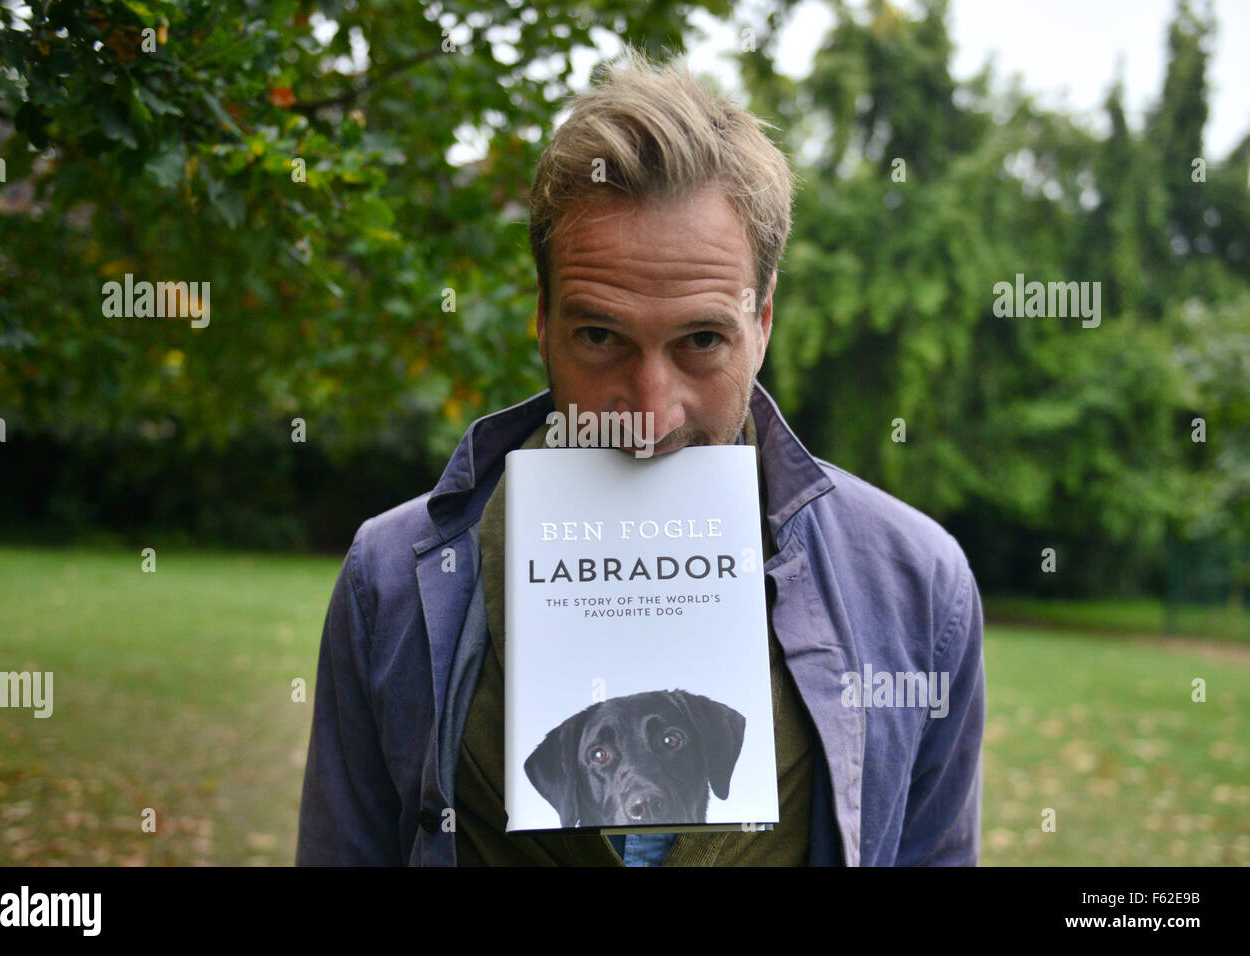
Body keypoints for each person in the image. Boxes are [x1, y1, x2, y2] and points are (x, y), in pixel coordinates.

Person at [296, 46, 984, 867]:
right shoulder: (394, 581)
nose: (649, 415)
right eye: (600, 337)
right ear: (541, 320)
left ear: (762, 323)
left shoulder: (914, 587)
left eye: (701, 340)